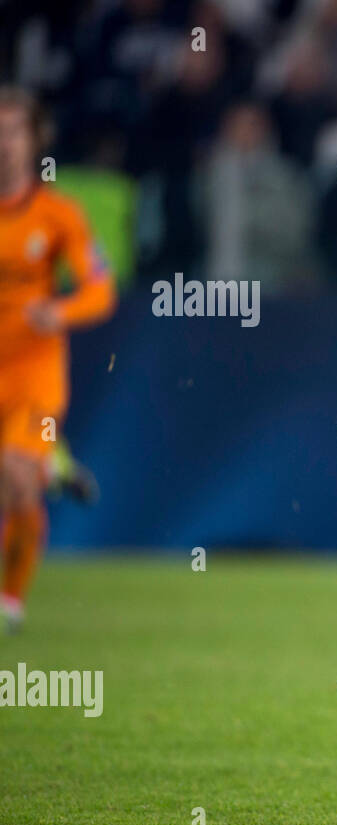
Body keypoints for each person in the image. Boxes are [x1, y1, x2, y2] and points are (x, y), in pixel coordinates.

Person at [0, 87, 116, 633]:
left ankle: (11, 603)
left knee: (15, 480)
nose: (4, 142)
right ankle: (54, 463)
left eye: (14, 131)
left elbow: (100, 288)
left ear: (34, 140)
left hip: (35, 374)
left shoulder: (57, 215)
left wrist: (61, 310)